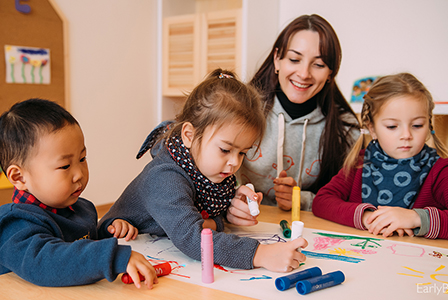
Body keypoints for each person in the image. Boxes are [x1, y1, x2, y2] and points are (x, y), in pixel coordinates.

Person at [98, 69, 308, 272]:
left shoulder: (209, 169)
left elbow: (202, 218)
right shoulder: (164, 178)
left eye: (243, 152)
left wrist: (230, 208)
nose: (234, 163)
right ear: (189, 135)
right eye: (225, 149)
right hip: (117, 253)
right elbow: (192, 238)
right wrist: (260, 254)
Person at [0, 99, 158, 288]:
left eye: (82, 158)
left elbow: (83, 240)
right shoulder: (16, 224)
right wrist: (112, 256)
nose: (79, 174)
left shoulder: (81, 208)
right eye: (65, 165)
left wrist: (108, 230)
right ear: (19, 177)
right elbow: (48, 262)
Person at [237, 14, 360, 212]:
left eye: (318, 64)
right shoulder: (242, 109)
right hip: (243, 223)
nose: (304, 74)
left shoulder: (345, 129)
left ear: (331, 73)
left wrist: (301, 200)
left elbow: (349, 199)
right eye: (294, 59)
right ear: (277, 59)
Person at [312, 73, 448, 239]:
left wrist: (417, 218)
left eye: (417, 125)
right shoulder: (359, 165)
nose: (406, 135)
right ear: (372, 129)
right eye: (392, 126)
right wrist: (368, 217)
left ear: (429, 125)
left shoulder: (442, 172)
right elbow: (322, 201)